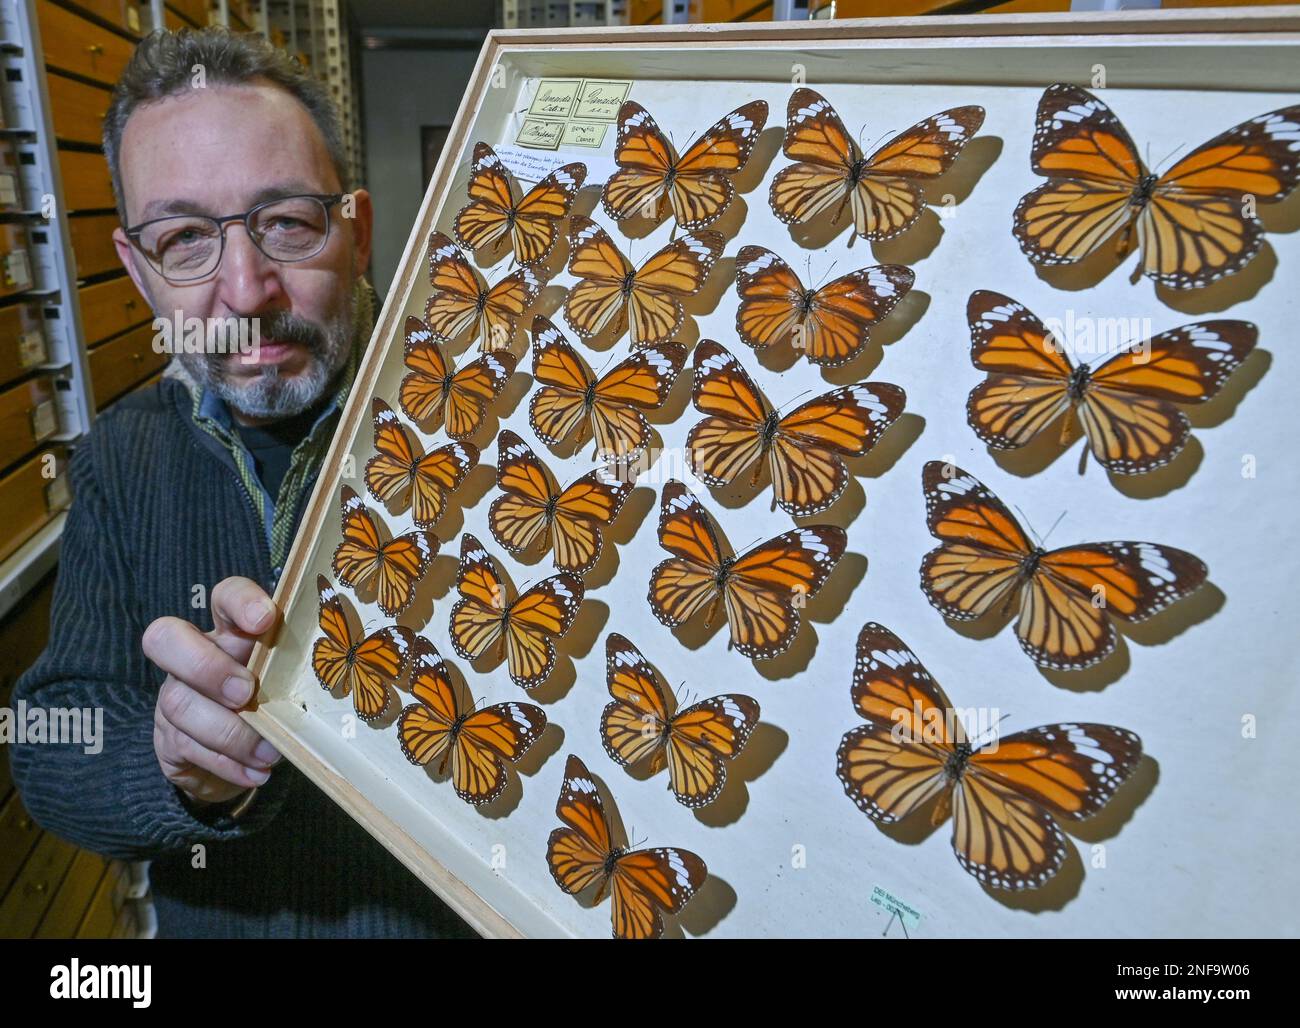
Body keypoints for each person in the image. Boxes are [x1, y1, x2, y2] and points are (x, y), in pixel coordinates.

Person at [7, 27, 476, 939]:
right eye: (185, 239)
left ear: (359, 229)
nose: (246, 289)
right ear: (140, 272)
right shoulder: (121, 454)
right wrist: (168, 758)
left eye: (287, 222)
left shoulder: (488, 420)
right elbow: (48, 735)